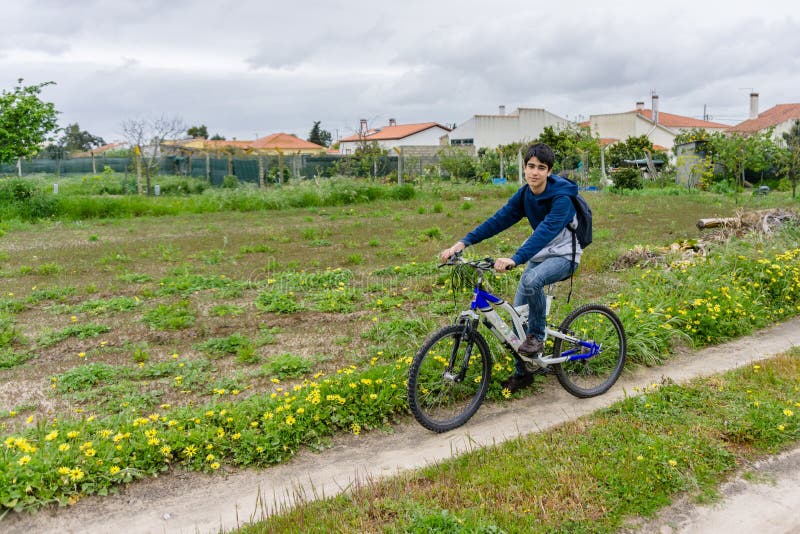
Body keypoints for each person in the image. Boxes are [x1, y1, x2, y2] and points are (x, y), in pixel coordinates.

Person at [440, 142, 582, 393]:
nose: (534, 172)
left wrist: (516, 258)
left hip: (564, 255)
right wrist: (463, 243)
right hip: (539, 254)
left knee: (531, 282)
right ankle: (524, 373)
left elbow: (545, 231)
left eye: (541, 168)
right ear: (524, 168)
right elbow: (499, 220)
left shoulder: (563, 199)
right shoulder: (525, 194)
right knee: (518, 317)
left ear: (549, 172)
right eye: (530, 166)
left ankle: (537, 336)